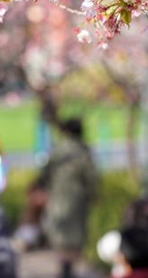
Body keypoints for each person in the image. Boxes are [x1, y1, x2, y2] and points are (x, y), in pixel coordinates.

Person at [40, 119, 98, 278]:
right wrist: (94, 193)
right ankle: (69, 266)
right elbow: (90, 175)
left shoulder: (57, 149)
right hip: (76, 197)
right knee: (75, 233)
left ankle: (64, 265)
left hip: (57, 195)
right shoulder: (82, 150)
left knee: (59, 230)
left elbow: (45, 172)